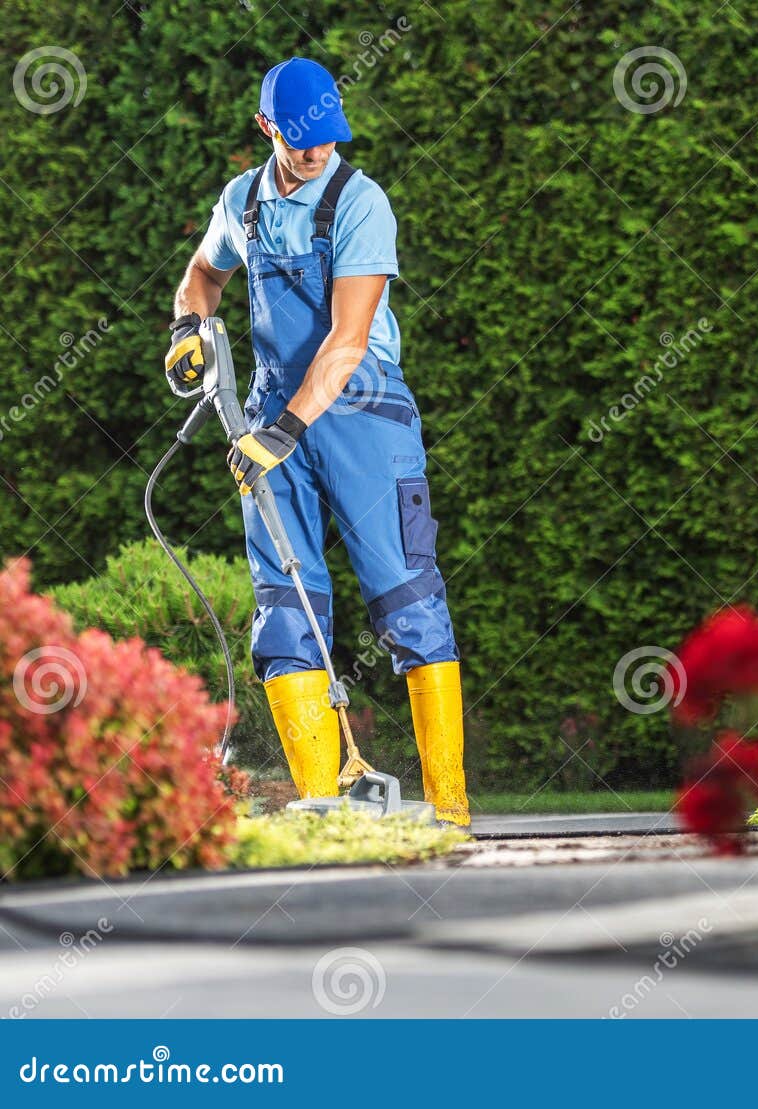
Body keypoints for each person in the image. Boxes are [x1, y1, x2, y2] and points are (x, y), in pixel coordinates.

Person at [163, 57, 468, 825]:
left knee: (407, 596)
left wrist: (285, 432)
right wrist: (185, 329)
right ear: (267, 129)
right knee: (283, 607)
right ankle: (322, 804)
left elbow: (348, 338)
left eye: (329, 139)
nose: (318, 153)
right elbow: (202, 273)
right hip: (269, 412)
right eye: (303, 141)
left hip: (361, 412)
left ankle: (450, 807)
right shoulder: (244, 202)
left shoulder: (361, 202)